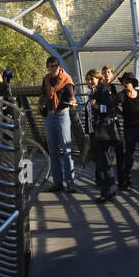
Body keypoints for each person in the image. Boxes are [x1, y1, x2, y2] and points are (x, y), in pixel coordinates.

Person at [39, 55, 76, 192]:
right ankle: (57, 183)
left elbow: (71, 94)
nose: (54, 68)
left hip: (62, 114)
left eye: (55, 65)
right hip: (49, 115)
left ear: (59, 66)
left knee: (66, 150)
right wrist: (39, 104)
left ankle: (70, 183)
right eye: (51, 66)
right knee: (53, 151)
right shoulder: (46, 79)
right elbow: (43, 94)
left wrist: (72, 101)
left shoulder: (66, 79)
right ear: (48, 68)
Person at [84, 69, 118, 202]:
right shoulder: (91, 94)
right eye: (87, 79)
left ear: (98, 79)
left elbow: (111, 109)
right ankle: (107, 191)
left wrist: (98, 107)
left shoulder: (102, 92)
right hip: (94, 132)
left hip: (102, 131)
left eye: (92, 79)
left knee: (105, 162)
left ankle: (108, 192)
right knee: (101, 162)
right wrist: (88, 132)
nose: (89, 81)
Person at [100, 65, 126, 188]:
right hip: (103, 124)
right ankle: (102, 180)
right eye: (104, 72)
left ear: (112, 74)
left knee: (120, 150)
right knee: (103, 153)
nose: (107, 75)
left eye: (109, 72)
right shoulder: (99, 89)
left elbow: (116, 105)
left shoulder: (115, 88)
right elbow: (98, 106)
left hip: (114, 123)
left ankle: (122, 181)